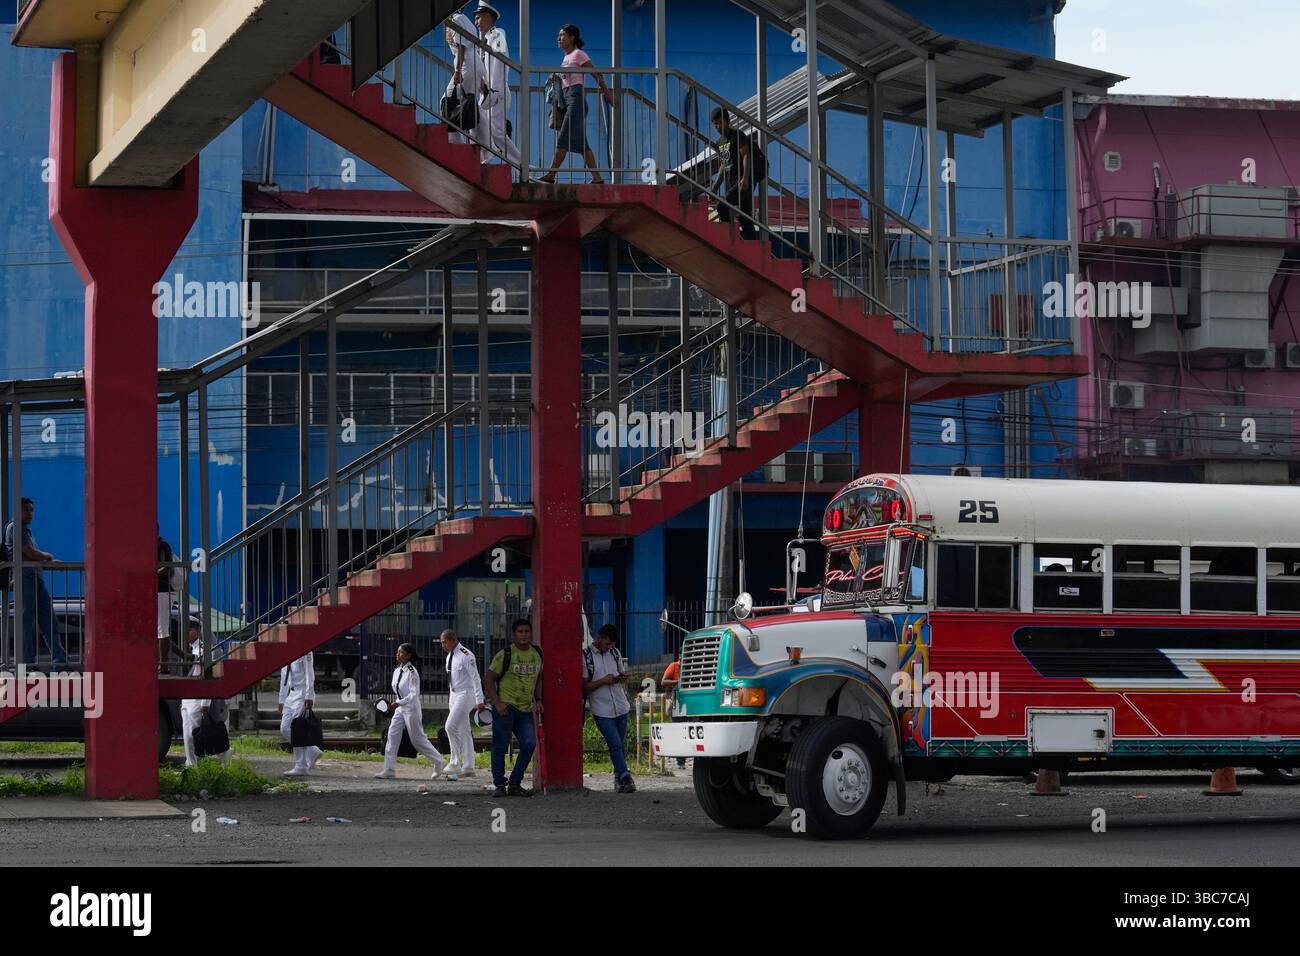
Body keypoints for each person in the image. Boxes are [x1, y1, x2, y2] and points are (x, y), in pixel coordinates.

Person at [538, 24, 614, 185]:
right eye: (558, 35)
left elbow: (596, 74)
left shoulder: (579, 54)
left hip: (576, 100)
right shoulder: (566, 58)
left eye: (562, 35)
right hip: (568, 100)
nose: (558, 38)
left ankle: (551, 175)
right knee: (582, 144)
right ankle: (597, 178)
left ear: (572, 37)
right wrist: (556, 77)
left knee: (563, 138)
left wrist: (608, 95)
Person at [374, 642, 454, 781]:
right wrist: (397, 704)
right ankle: (389, 769)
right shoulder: (397, 669)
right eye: (397, 652)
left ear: (408, 655)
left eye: (401, 652)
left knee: (417, 740)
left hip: (411, 708)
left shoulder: (412, 672)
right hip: (400, 708)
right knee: (392, 736)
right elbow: (398, 690)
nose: (397, 655)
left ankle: (440, 762)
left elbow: (413, 694)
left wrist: (398, 703)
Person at [3, 497, 66, 668]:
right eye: (26, 509)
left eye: (31, 510)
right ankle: (27, 664)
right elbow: (29, 552)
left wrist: (46, 562)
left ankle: (60, 661)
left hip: (34, 578)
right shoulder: (15, 527)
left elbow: (29, 555)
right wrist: (48, 556)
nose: (30, 513)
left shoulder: (24, 530)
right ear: (17, 511)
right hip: (26, 579)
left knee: (48, 620)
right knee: (27, 621)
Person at [484, 618, 543, 797]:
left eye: (527, 631)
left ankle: (515, 783)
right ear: (513, 635)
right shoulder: (505, 654)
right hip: (506, 707)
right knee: (500, 746)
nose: (524, 635)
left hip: (525, 709)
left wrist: (538, 699)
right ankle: (500, 785)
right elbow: (488, 680)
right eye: (520, 632)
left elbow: (538, 678)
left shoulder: (537, 654)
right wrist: (498, 703)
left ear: (531, 634)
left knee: (529, 743)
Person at [583, 624, 635, 793]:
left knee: (619, 744)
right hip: (601, 708)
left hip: (620, 705)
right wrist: (603, 681)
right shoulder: (586, 657)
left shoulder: (615, 653)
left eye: (611, 645)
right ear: (599, 638)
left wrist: (621, 678)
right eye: (606, 644)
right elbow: (584, 687)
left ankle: (618, 779)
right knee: (614, 743)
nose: (608, 648)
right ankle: (625, 775)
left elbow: (620, 672)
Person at [474, 1, 521, 167]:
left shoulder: (497, 35)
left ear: (488, 16)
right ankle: (484, 156)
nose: (476, 22)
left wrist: (494, 91)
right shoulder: (487, 39)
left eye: (479, 18)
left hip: (497, 92)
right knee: (481, 126)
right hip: (490, 92)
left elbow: (500, 64)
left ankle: (523, 166)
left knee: (498, 132)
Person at [440, 629, 485, 776]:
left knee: (450, 726)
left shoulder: (466, 655)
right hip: (454, 693)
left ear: (453, 640)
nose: (443, 645)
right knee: (464, 730)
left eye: (444, 642)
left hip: (466, 693)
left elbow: (475, 678)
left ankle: (454, 762)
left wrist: (479, 700)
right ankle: (469, 766)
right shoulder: (450, 656)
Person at [709, 107, 757, 239]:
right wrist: (715, 187)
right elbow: (724, 165)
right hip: (731, 182)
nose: (718, 126)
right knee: (744, 217)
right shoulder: (719, 143)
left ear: (727, 121)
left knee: (722, 208)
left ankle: (731, 239)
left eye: (720, 122)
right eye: (715, 123)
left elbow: (746, 155)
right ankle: (754, 249)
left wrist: (746, 178)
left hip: (743, 181)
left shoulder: (737, 135)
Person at [445, 10, 485, 147]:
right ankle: (484, 143)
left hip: (467, 64)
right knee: (469, 105)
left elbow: (461, 45)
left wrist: (457, 70)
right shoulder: (463, 19)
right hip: (472, 64)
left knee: (447, 101)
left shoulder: (456, 19)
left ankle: (457, 142)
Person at [279, 651, 322, 777]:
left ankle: (301, 765)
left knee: (297, 729)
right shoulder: (285, 653)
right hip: (290, 694)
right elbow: (283, 678)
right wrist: (281, 699)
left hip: (302, 693)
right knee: (285, 728)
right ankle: (312, 749)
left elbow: (310, 674)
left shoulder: (305, 652)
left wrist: (309, 695)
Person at [180, 615, 212, 768]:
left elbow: (208, 675)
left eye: (189, 631)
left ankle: (220, 754)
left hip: (197, 698)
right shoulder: (189, 649)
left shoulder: (205, 649)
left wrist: (206, 701)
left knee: (194, 733)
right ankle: (190, 763)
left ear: (196, 631)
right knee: (186, 734)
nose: (186, 634)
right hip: (187, 697)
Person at [156, 528, 182, 671]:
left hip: (163, 591)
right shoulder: (147, 545)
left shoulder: (162, 545)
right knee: (159, 631)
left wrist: (150, 575)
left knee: (162, 630)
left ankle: (164, 665)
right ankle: (186, 657)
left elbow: (167, 568)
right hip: (156, 591)